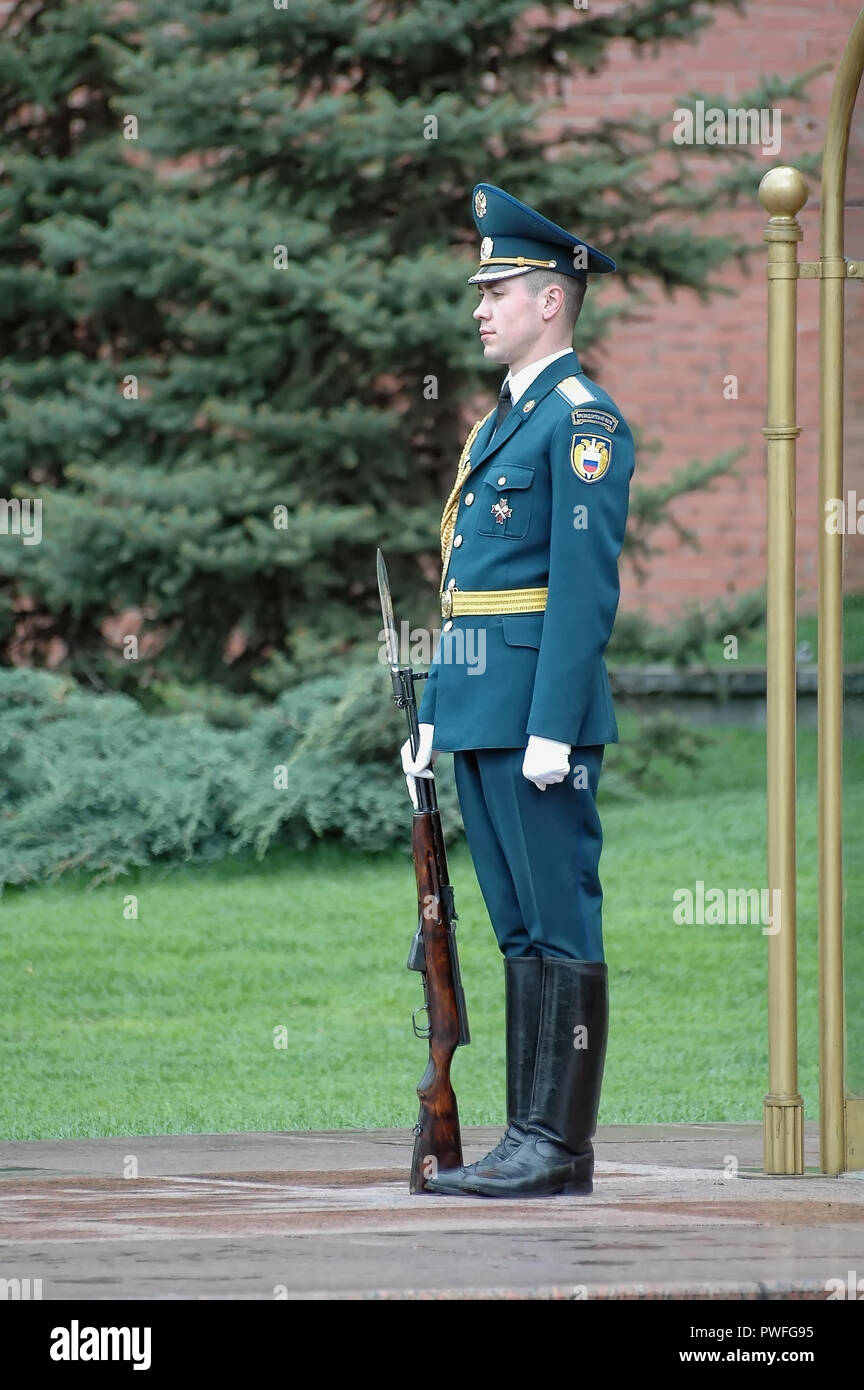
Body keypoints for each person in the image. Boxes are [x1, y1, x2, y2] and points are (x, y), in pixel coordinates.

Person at [400, 183, 634, 1199]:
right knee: (515, 931)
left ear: (552, 300)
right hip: (482, 712)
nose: (481, 306)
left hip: (539, 719)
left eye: (498, 290)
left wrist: (554, 727)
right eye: (481, 290)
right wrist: (431, 714)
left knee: (561, 924)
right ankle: (526, 1138)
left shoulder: (581, 421)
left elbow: (581, 593)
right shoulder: (504, 420)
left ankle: (557, 1144)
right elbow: (469, 590)